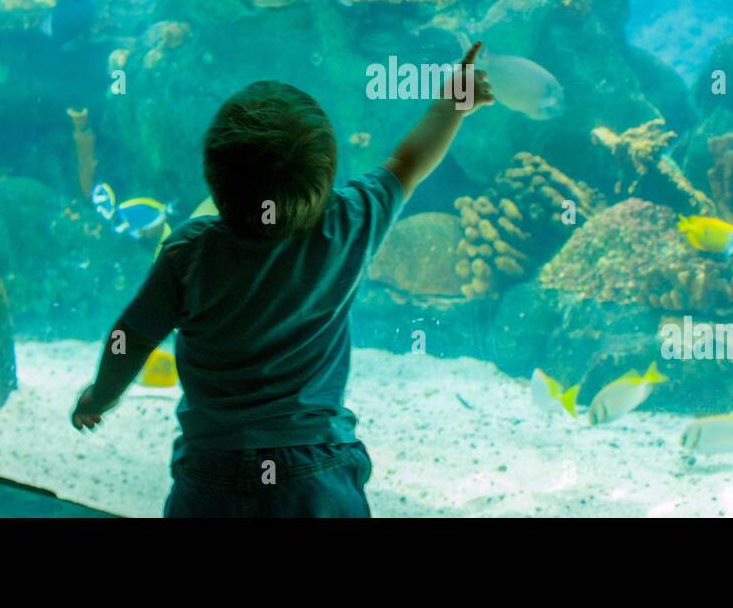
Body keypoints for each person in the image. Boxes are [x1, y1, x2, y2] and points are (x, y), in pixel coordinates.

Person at [71, 42, 494, 517]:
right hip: (317, 473)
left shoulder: (189, 253)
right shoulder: (351, 221)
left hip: (213, 475)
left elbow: (131, 337)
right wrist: (451, 105)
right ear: (328, 171)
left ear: (213, 178)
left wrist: (101, 396)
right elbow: (408, 162)